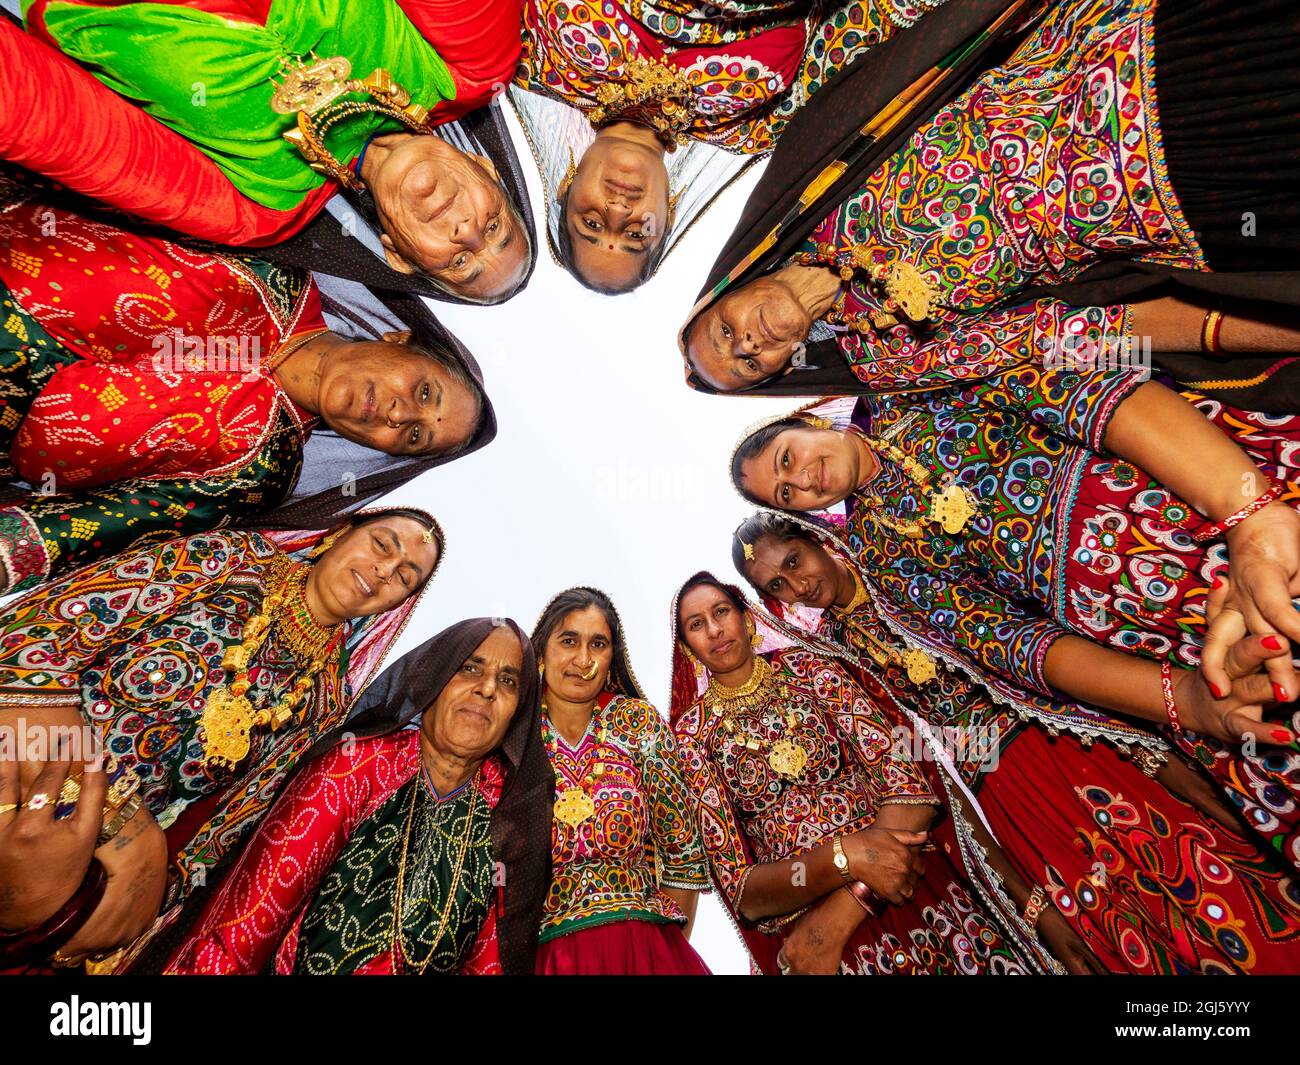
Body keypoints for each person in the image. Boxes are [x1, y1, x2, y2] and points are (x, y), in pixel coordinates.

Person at [730, 383, 1300, 872]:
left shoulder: (915, 388)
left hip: (1203, 494)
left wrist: (1246, 511)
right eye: (787, 494)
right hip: (1147, 627)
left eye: (786, 459)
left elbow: (1088, 397)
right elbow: (1018, 646)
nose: (803, 480)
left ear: (804, 420)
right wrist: (1186, 700)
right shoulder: (882, 562)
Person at [733, 509, 1300, 972]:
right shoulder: (835, 659)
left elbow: (1028, 630)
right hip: (1001, 793)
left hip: (1070, 735)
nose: (799, 584)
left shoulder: (898, 559)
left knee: (1208, 852)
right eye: (778, 585)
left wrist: (1131, 738)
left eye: (794, 560)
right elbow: (912, 758)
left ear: (816, 536)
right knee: (1119, 924)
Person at [682, 0, 1300, 408]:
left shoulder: (815, 180)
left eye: (725, 329)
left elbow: (917, 47)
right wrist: (1263, 329)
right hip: (1174, 204)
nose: (748, 342)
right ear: (781, 372)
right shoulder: (889, 356)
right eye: (748, 364)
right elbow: (1066, 333)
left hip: (1145, 59)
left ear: (725, 288)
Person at [0, 508, 441, 972]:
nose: (385, 570)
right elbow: (40, 635)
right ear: (337, 535)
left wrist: (148, 895)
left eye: (404, 576)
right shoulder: (231, 561)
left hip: (80, 865)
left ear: (397, 604)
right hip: (20, 753)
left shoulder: (326, 701)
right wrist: (126, 829)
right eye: (382, 545)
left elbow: (228, 824)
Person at [0, 190, 484, 593]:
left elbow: (100, 522)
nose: (401, 417)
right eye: (424, 393)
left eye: (415, 438)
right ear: (399, 339)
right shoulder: (274, 260)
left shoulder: (259, 472)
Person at [669, 570, 1091, 975]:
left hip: (919, 896)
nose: (714, 629)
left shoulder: (811, 671)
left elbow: (907, 786)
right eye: (696, 624)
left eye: (721, 611)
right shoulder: (690, 739)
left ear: (745, 617)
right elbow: (745, 891)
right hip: (823, 943)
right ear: (687, 647)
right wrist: (844, 860)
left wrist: (855, 887)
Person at [6, 0, 534, 303]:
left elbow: (50, 118)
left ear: (396, 253)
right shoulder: (469, 72)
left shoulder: (262, 207)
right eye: (494, 229)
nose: (465, 232)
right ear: (488, 168)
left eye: (460, 261)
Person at [164, 616, 552, 974]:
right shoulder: (356, 766)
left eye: (508, 681)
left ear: (518, 711)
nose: (486, 689)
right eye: (469, 668)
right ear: (432, 680)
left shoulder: (504, 810)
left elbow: (490, 959)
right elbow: (244, 930)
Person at [513, 0, 949, 292]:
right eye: (635, 234)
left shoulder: (534, 57)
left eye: (590, 223)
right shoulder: (754, 128)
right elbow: (864, 27)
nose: (617, 211)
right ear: (669, 214)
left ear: (565, 187)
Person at [531, 587, 710, 973]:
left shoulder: (638, 724)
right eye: (568, 641)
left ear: (612, 657)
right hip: (545, 957)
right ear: (542, 650)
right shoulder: (513, 734)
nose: (583, 659)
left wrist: (661, 951)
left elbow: (683, 855)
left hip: (645, 947)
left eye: (598, 644)